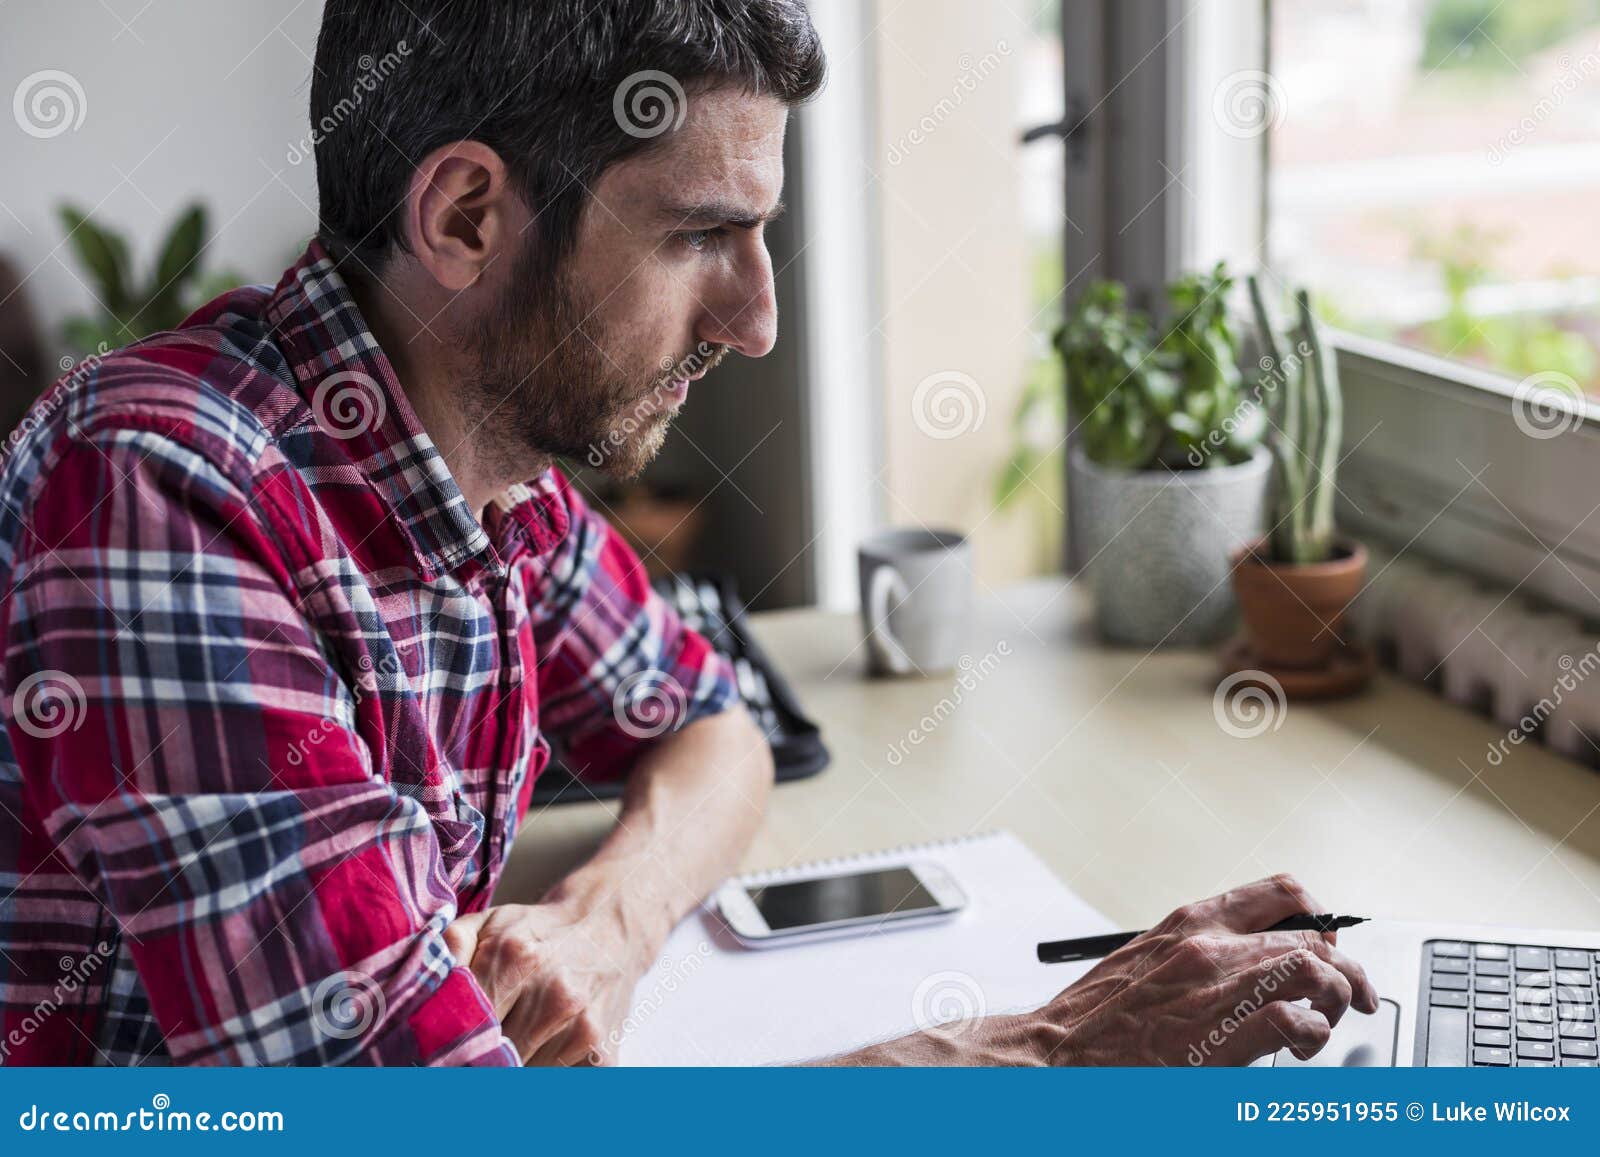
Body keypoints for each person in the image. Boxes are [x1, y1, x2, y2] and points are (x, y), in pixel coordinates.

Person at [0, 0, 1376, 1067]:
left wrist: (612, 915)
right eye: (699, 236)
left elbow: (711, 714)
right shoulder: (163, 493)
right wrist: (1054, 1047)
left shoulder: (483, 471)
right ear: (468, 215)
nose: (756, 317)